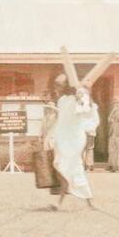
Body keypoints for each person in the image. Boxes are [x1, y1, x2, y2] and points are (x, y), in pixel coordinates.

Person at [43, 76, 99, 209]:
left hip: (74, 139)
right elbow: (61, 121)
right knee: (63, 168)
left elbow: (87, 111)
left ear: (67, 85)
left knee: (72, 167)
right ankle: (85, 202)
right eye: (56, 84)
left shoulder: (78, 99)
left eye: (59, 85)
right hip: (62, 138)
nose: (56, 88)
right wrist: (51, 137)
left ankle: (70, 202)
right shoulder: (62, 100)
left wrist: (86, 94)